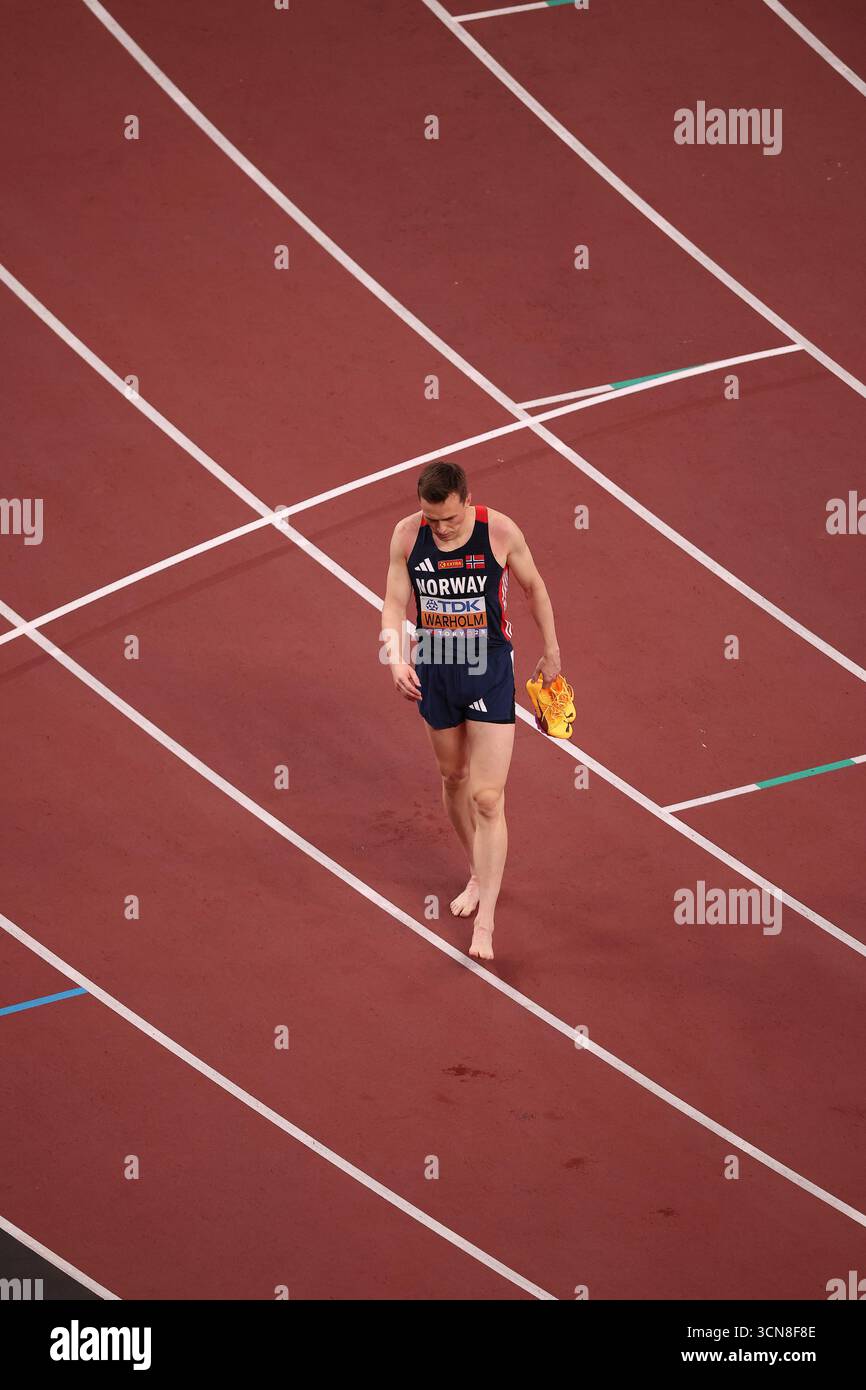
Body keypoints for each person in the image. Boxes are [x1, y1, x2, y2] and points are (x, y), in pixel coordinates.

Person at [381, 459, 564, 960]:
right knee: (453, 778)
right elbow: (394, 603)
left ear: (467, 500)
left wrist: (551, 651)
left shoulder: (499, 532)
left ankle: (486, 922)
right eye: (431, 520)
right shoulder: (406, 536)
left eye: (449, 520)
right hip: (437, 668)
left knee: (487, 797)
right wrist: (397, 657)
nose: (440, 529)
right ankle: (478, 874)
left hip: (488, 668)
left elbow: (534, 587)